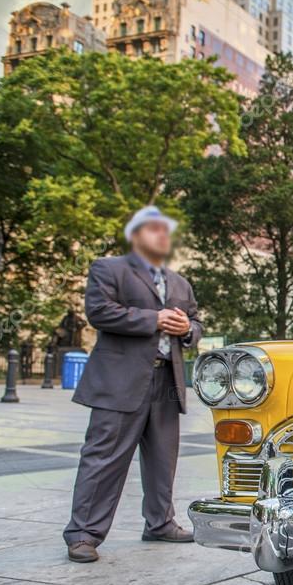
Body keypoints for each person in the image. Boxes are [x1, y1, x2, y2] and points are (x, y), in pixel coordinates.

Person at [64, 206, 202, 563]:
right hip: (119, 381)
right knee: (103, 459)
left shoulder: (180, 282)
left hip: (166, 381)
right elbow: (99, 311)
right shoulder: (109, 269)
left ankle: (160, 523)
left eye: (165, 231)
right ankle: (83, 535)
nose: (161, 236)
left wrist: (187, 330)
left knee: (162, 459)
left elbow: (196, 323)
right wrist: (153, 318)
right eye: (153, 229)